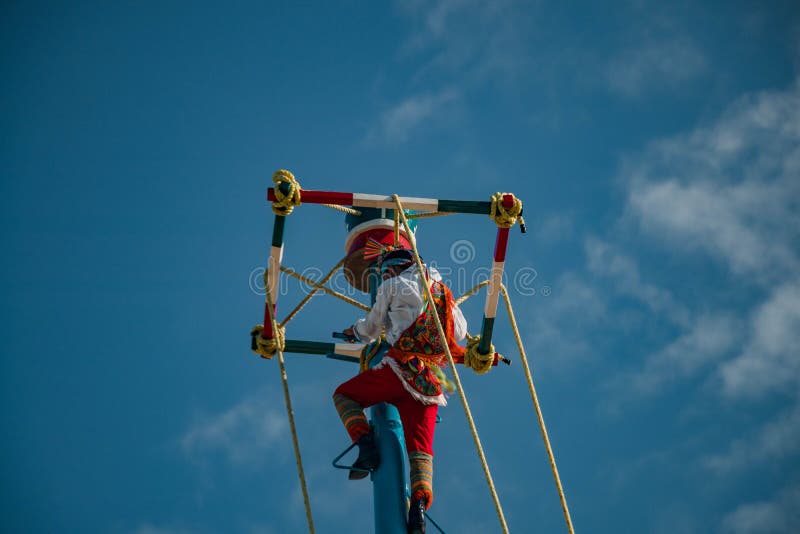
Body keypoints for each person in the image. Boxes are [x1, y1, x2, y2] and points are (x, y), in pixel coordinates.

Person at [332, 248, 468, 534]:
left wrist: (353, 332)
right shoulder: (442, 294)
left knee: (344, 395)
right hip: (429, 386)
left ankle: (367, 447)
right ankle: (417, 510)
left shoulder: (391, 285)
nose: (384, 275)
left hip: (397, 372)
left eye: (385, 271)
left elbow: (371, 328)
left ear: (392, 269)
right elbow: (459, 333)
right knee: (422, 454)